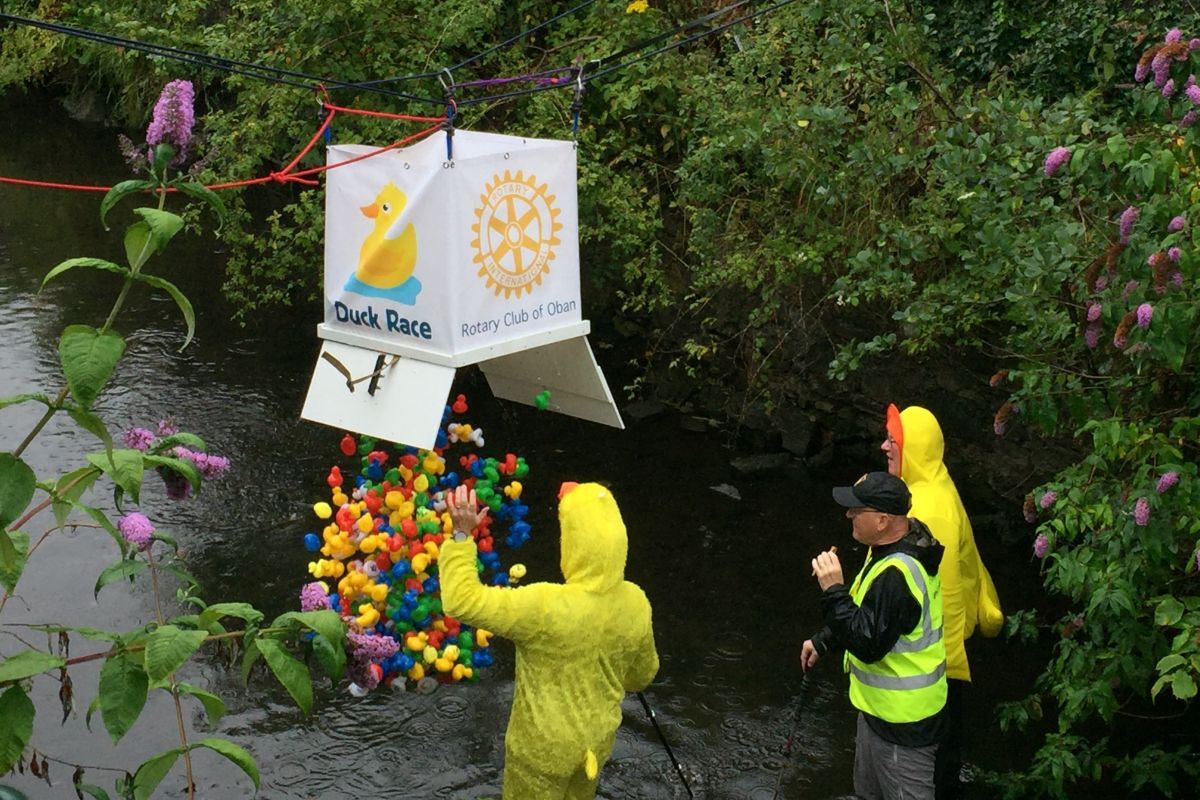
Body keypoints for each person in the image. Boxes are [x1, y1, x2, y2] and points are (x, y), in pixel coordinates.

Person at [442, 481, 659, 800]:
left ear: (571, 542)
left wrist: (461, 536)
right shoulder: (635, 603)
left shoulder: (543, 606)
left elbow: (461, 600)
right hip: (595, 747)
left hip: (541, 752)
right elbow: (641, 678)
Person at [802, 471, 948, 800]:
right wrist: (826, 639)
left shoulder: (898, 574)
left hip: (903, 724)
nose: (848, 515)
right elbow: (866, 612)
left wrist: (833, 590)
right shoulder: (889, 546)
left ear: (882, 520)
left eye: (857, 509)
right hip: (877, 712)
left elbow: (868, 644)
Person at [883, 404, 1003, 798]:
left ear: (913, 448)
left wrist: (943, 663)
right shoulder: (935, 484)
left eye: (893, 440)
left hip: (935, 665)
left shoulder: (926, 508)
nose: (885, 446)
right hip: (940, 659)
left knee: (933, 762)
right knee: (945, 753)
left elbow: (945, 595)